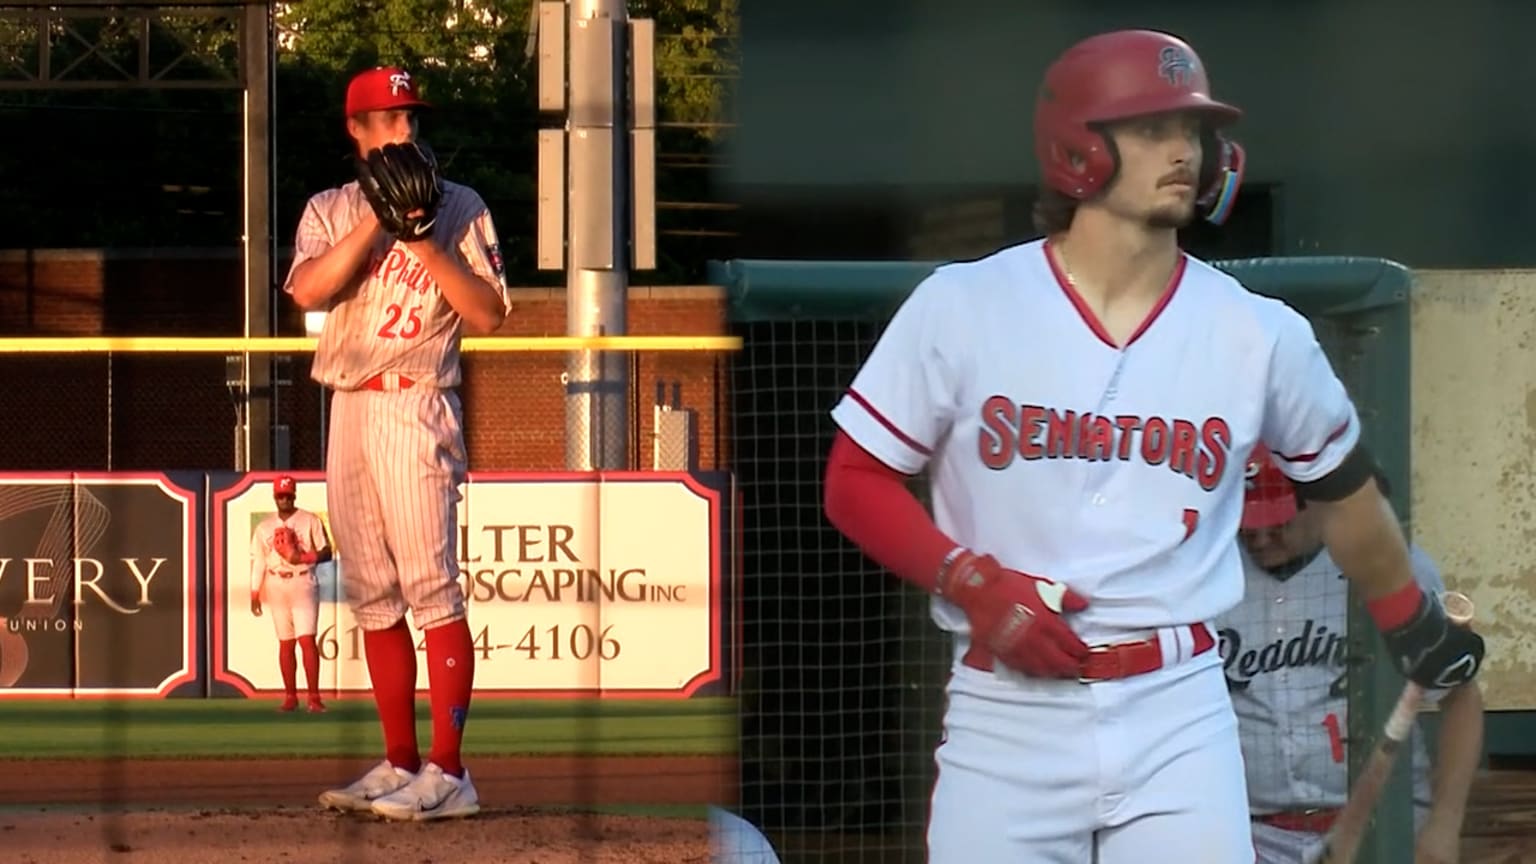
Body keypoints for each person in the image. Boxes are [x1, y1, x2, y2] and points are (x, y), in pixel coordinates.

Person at [819, 28, 1487, 863]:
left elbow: (1346, 497)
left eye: (1195, 131)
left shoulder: (1258, 332)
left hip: (1178, 704)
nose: (1185, 149)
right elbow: (854, 480)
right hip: (1006, 714)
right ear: (1076, 151)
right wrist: (974, 583)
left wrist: (1408, 619)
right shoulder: (962, 305)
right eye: (1152, 128)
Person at [282, 65, 510, 821]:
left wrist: (422, 239)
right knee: (373, 597)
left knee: (431, 588)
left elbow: (488, 315)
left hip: (417, 405)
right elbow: (309, 290)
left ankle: (449, 772)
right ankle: (399, 761)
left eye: (411, 116)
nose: (406, 130)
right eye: (388, 118)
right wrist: (380, 220)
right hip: (348, 403)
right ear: (356, 129)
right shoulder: (329, 206)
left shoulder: (461, 207)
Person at [1222, 445, 1484, 864]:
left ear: (1319, 507)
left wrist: (1443, 826)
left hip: (1381, 826)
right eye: (1248, 528)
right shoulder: (1215, 576)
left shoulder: (1386, 563)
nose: (1262, 538)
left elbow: (1460, 696)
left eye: (1277, 525)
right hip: (1254, 836)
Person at [249, 474, 333, 714]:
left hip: (303, 581)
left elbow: (327, 552)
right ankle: (290, 697)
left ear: (294, 495)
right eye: (280, 495)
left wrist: (302, 557)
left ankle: (314, 698)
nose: (284, 499)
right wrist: (255, 592)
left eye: (287, 495)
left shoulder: (309, 520)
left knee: (306, 640)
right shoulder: (264, 526)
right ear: (274, 497)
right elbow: (259, 563)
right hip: (276, 582)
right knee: (285, 643)